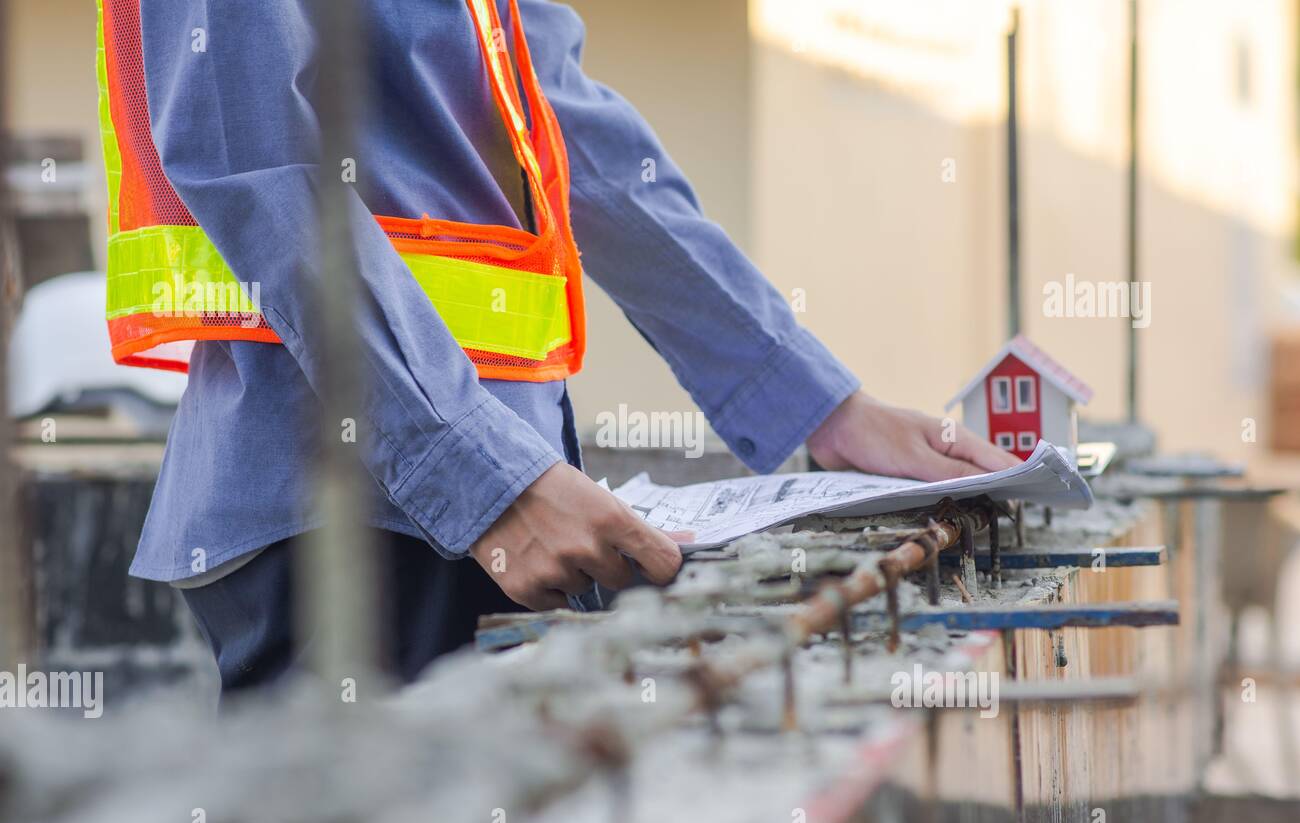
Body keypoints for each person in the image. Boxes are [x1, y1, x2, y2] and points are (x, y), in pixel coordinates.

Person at [97, 0, 1017, 694]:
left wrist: (817, 403)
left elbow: (568, 132)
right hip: (339, 508)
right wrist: (482, 481)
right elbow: (248, 160)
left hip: (508, 502)